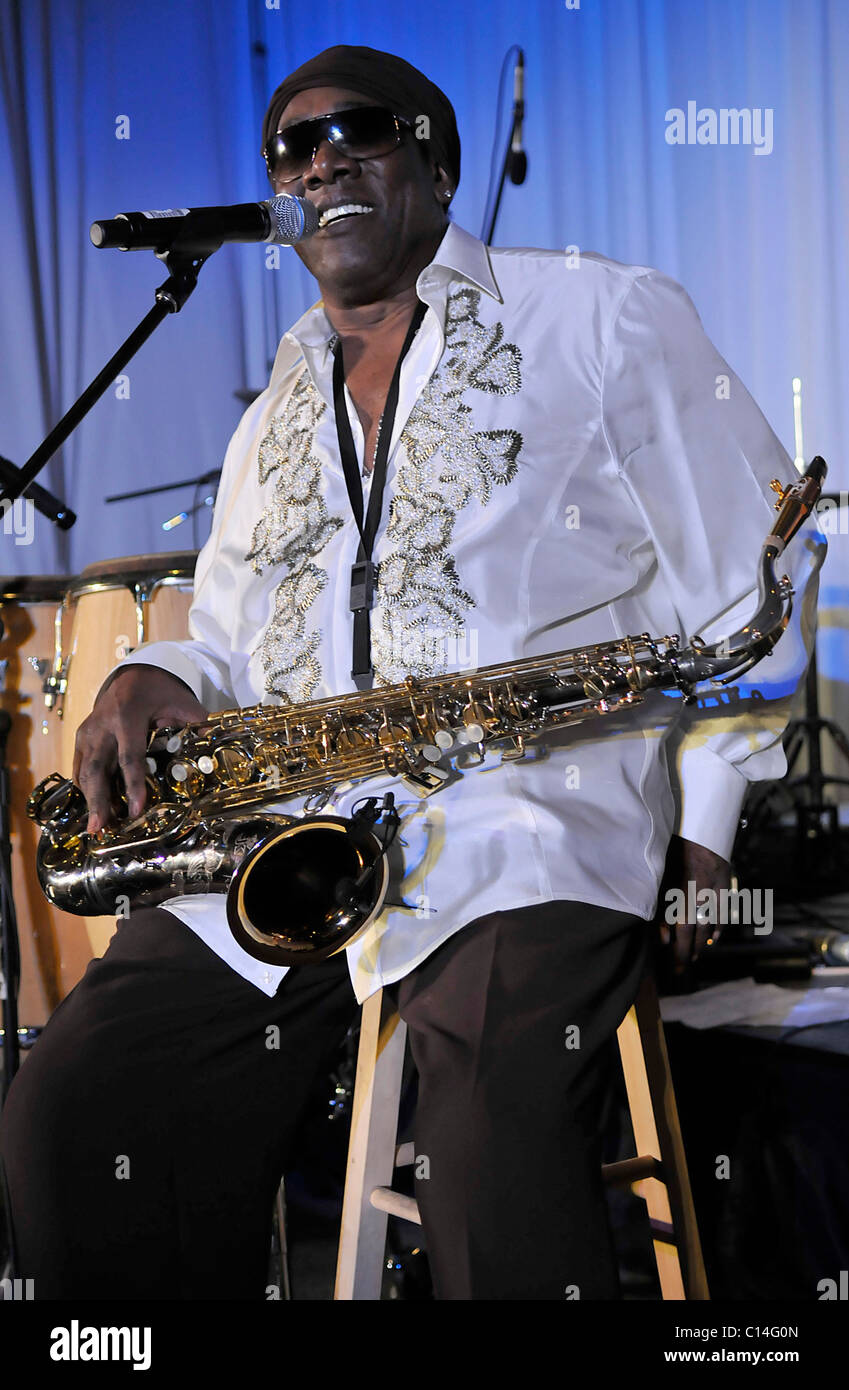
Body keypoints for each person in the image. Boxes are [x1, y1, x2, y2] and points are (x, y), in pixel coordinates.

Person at [0, 45, 824, 1301]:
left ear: (434, 162)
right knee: (76, 1106)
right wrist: (153, 674)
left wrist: (706, 838)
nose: (323, 158)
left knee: (483, 1138)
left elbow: (755, 573)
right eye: (293, 147)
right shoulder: (273, 401)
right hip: (296, 833)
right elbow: (218, 632)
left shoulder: (603, 317)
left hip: (527, 817)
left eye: (361, 130)